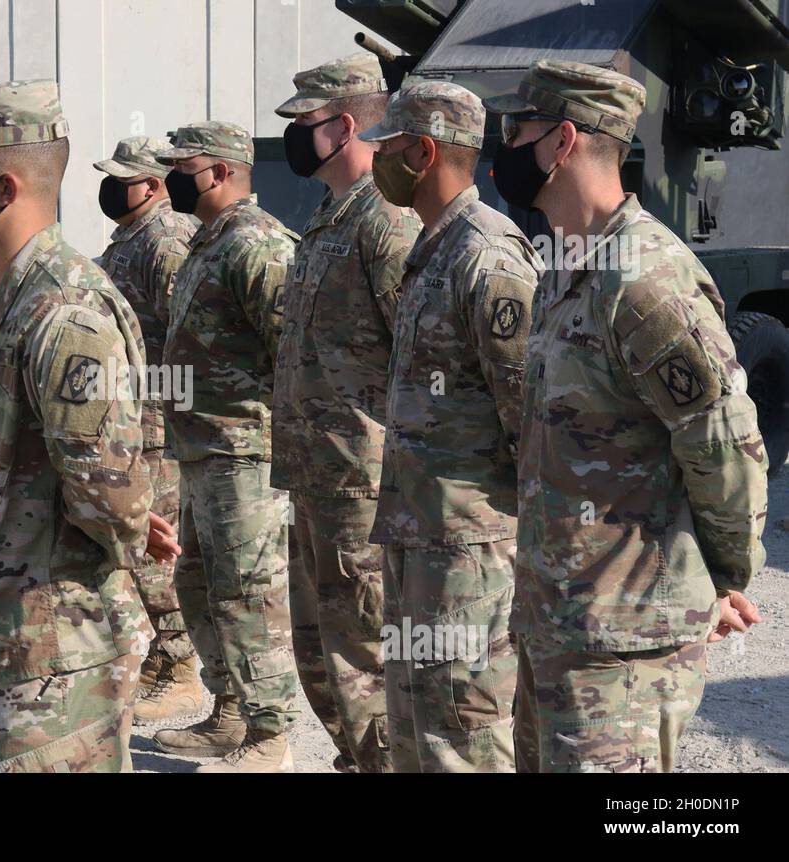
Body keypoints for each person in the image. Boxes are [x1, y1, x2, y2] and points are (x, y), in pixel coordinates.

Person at [484, 59, 768, 772]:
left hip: (623, 649)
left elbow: (725, 447)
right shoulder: (569, 267)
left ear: (563, 141)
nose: (504, 148)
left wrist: (719, 577)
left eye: (517, 130)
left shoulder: (642, 280)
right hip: (560, 628)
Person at [0, 79, 176, 772]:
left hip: (54, 660)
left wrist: (127, 512)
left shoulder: (66, 310)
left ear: (2, 189)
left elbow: (108, 499)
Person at [357, 81, 542, 772]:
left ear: (424, 152)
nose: (378, 162)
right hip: (420, 543)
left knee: (464, 736)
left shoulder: (487, 258)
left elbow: (532, 422)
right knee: (416, 727)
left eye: (389, 149)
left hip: (470, 557)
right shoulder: (434, 248)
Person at [272, 52, 421, 773]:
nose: (295, 137)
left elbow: (427, 361)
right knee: (322, 659)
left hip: (364, 487)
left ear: (349, 123)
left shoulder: (387, 223)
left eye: (305, 124)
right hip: (317, 482)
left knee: (368, 658)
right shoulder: (332, 217)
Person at [150, 121, 301, 773]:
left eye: (183, 166)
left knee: (248, 592)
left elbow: (290, 355)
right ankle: (231, 710)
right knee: (198, 581)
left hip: (247, 456)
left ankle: (271, 737)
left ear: (219, 172)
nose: (172, 177)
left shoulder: (259, 244)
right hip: (201, 453)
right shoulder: (208, 242)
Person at [93, 135, 199, 725]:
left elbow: (186, 333)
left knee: (159, 550)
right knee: (137, 544)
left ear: (153, 185)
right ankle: (157, 656)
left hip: (157, 420)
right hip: (133, 418)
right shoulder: (131, 240)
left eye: (121, 178)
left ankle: (178, 666)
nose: (109, 189)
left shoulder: (166, 242)